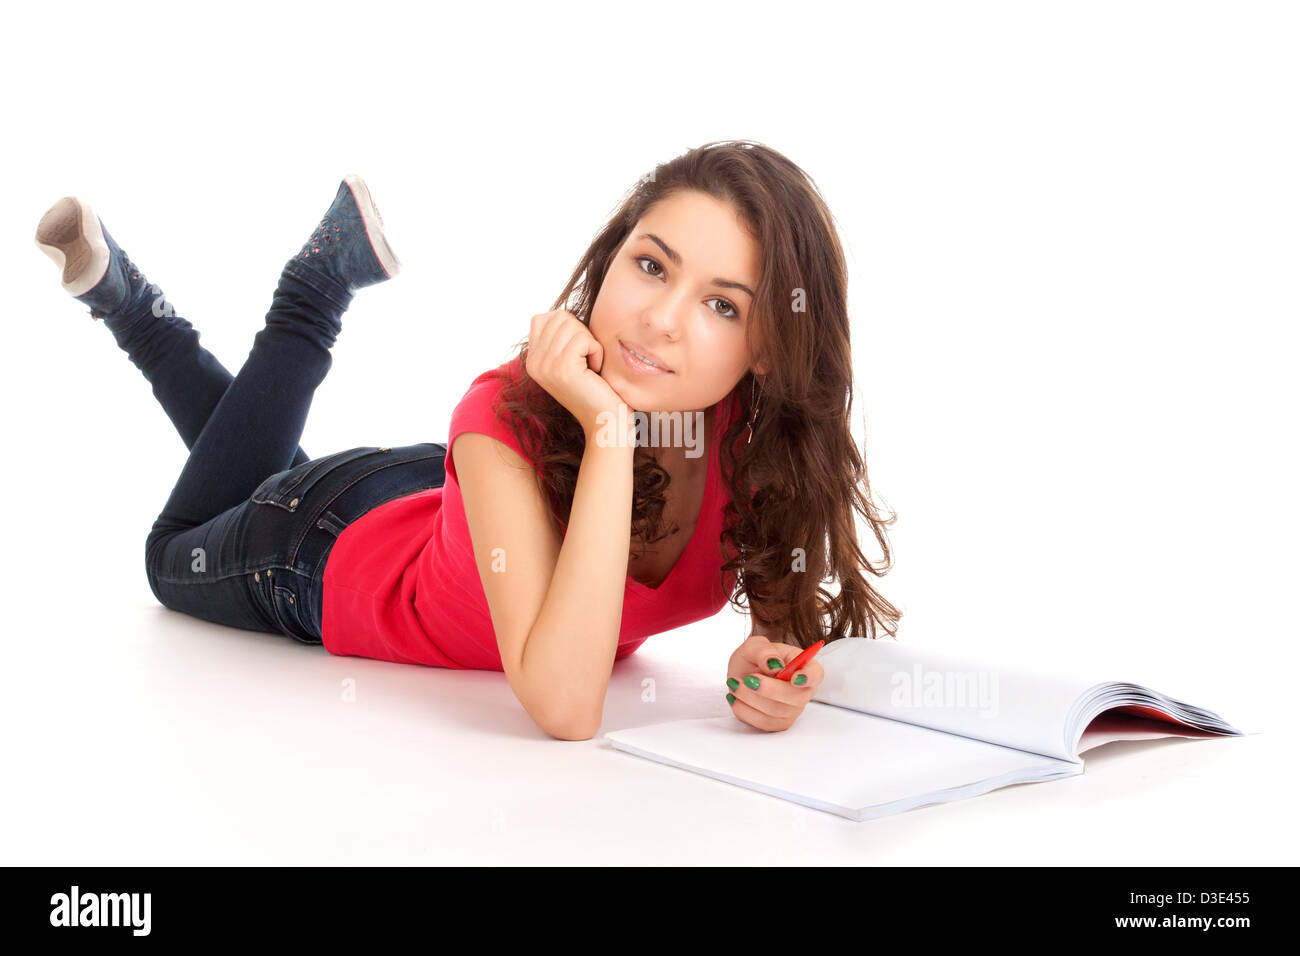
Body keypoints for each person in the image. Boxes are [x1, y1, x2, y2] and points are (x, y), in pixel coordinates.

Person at [35, 141, 901, 741]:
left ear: (768, 346)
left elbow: (778, 631)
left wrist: (770, 665)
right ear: (612, 260)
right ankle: (301, 294)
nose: (662, 321)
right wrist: (607, 428)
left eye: (723, 305)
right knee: (171, 553)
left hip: (440, 509)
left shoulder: (753, 445)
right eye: (651, 265)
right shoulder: (508, 414)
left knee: (254, 473)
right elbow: (564, 707)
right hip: (316, 560)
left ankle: (121, 295)